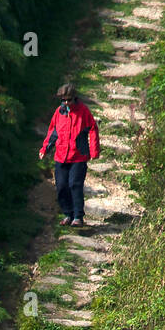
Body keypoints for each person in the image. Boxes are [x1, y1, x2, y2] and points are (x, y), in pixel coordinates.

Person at [38, 82, 100, 228]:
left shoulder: (83, 111)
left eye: (69, 100)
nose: (66, 103)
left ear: (75, 98)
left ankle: (78, 216)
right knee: (61, 186)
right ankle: (68, 213)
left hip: (78, 156)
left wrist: (94, 150)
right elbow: (53, 131)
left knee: (75, 184)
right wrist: (45, 149)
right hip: (60, 155)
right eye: (63, 100)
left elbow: (93, 129)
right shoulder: (59, 112)